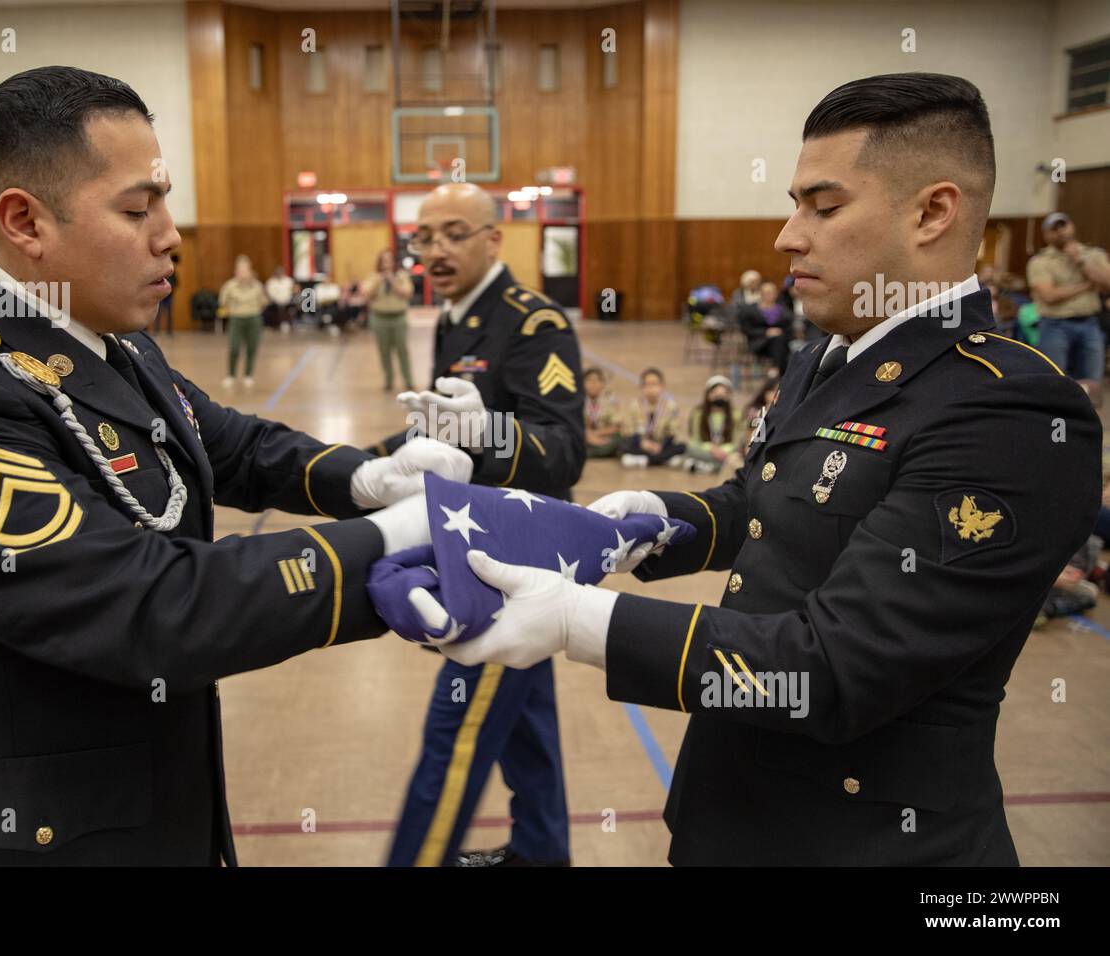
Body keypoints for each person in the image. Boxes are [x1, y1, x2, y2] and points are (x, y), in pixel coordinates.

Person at [418, 73, 1102, 865]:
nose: (787, 235)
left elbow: (836, 668)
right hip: (731, 812)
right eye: (793, 203)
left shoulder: (1009, 412)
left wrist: (583, 622)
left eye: (823, 205)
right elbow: (764, 505)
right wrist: (650, 522)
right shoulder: (830, 360)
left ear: (932, 212)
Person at [0, 66, 469, 866]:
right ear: (25, 221)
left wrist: (367, 477)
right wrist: (384, 545)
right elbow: (148, 603)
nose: (170, 233)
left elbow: (226, 443)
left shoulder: (107, 336)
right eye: (137, 208)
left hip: (165, 815)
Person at [369, 182, 585, 867]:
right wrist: (354, 466)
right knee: (526, 725)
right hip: (479, 553)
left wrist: (484, 430)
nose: (434, 250)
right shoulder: (455, 319)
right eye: (424, 238)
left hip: (512, 567)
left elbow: (563, 448)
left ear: (495, 239)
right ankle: (542, 851)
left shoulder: (534, 323)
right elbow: (438, 432)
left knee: (454, 743)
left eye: (452, 234)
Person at [1026, 213, 1110, 390]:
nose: (1060, 231)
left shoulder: (1093, 254)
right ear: (1046, 235)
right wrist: (1087, 286)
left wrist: (1079, 260)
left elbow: (1107, 282)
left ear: (1072, 226)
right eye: (1054, 229)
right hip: (1055, 326)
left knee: (1091, 383)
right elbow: (1049, 296)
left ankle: (1085, 417)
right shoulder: (1040, 261)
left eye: (1063, 225)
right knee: (1054, 382)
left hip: (1090, 324)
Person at [364, 249, 415, 392]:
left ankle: (408, 380)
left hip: (398, 318)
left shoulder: (401, 276)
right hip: (380, 319)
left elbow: (407, 293)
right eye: (384, 260)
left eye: (389, 260)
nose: (387, 263)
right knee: (383, 351)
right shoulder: (373, 277)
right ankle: (388, 380)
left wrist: (392, 281)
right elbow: (367, 294)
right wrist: (378, 281)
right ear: (379, 262)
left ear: (394, 262)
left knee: (402, 350)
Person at [218, 254, 268, 388]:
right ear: (236, 270)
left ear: (250, 270)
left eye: (245, 269)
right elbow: (223, 301)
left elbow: (264, 302)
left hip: (253, 319)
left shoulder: (257, 285)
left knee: (252, 348)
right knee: (234, 348)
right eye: (240, 269)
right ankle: (231, 376)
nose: (243, 272)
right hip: (236, 319)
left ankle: (248, 375)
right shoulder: (230, 286)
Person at [619, 367, 683, 468]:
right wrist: (642, 443)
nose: (651, 388)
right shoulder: (635, 405)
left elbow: (673, 432)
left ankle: (647, 460)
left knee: (682, 447)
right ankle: (660, 459)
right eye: (647, 385)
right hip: (641, 445)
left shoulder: (670, 406)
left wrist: (661, 446)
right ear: (641, 387)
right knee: (623, 445)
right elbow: (629, 430)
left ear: (662, 386)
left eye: (654, 384)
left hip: (661, 445)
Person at [681, 375, 742, 475]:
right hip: (706, 450)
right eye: (715, 393)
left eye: (723, 394)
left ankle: (705, 467)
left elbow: (737, 440)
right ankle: (717, 467)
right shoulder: (698, 413)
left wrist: (723, 450)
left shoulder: (736, 414)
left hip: (726, 451)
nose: (719, 397)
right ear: (708, 395)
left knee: (735, 455)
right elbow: (695, 440)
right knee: (689, 448)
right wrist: (711, 448)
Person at [741, 280, 795, 375]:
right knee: (779, 342)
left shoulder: (784, 310)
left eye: (773, 292)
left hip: (781, 342)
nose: (770, 295)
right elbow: (746, 329)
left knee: (779, 340)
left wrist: (778, 332)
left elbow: (789, 329)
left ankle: (777, 370)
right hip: (759, 342)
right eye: (767, 293)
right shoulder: (751, 310)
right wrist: (766, 332)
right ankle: (780, 371)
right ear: (761, 294)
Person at [583, 367, 624, 458]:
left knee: (618, 439)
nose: (593, 384)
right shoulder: (577, 401)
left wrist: (596, 434)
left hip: (603, 436)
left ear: (603, 384)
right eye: (589, 381)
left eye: (597, 381)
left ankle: (585, 453)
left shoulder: (611, 401)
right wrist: (588, 437)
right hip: (583, 436)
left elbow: (617, 426)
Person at [152, 252, 178, 335]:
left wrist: (172, 290)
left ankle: (169, 331)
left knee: (169, 314)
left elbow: (176, 283)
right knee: (158, 313)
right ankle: (156, 330)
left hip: (169, 296)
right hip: (161, 295)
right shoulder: (161, 270)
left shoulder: (173, 272)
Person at [265, 266, 296, 332]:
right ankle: (280, 323)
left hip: (288, 301)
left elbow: (294, 290)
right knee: (277, 307)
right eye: (277, 272)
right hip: (275, 302)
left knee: (288, 306)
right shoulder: (271, 282)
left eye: (281, 272)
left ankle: (286, 323)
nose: (279, 273)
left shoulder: (289, 280)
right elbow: (269, 294)